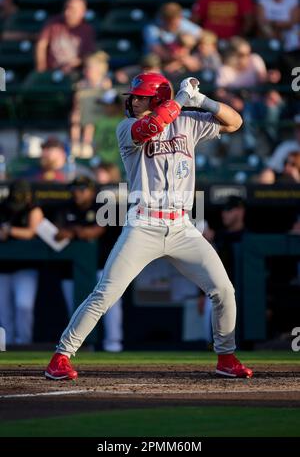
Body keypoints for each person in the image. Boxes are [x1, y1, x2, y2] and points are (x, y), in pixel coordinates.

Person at [45, 72, 253, 380]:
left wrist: (202, 101)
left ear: (157, 99)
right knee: (105, 293)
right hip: (144, 223)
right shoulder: (126, 127)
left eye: (140, 97)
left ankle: (226, 356)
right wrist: (180, 100)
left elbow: (235, 122)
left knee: (223, 290)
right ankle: (61, 357)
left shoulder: (188, 121)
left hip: (182, 226)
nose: (132, 101)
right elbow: (152, 127)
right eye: (134, 96)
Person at [55, 176, 123, 352]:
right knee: (76, 307)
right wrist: (70, 232)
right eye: (75, 190)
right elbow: (57, 232)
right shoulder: (66, 208)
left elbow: (94, 231)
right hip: (71, 270)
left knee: (111, 305)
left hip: (102, 266)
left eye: (82, 189)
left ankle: (113, 343)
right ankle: (80, 345)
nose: (77, 193)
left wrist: (75, 231)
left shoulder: (102, 206)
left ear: (91, 190)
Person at [0, 180, 43, 344]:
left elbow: (32, 232)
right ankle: (7, 343)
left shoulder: (33, 209)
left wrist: (10, 230)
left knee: (23, 306)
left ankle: (24, 343)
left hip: (26, 267)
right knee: (4, 311)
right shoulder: (3, 207)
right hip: (3, 268)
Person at [35, 0, 96, 75]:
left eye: (73, 10)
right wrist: (41, 69)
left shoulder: (87, 29)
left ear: (82, 12)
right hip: (52, 71)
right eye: (66, 8)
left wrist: (75, 63)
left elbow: (88, 55)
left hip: (75, 73)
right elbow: (41, 45)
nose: (67, 13)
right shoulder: (54, 23)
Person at [70, 51, 112, 159]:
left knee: (89, 121)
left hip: (99, 112)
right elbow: (77, 103)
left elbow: (108, 103)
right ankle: (75, 144)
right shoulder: (82, 84)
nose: (85, 71)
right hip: (84, 111)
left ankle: (86, 144)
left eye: (89, 68)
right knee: (76, 117)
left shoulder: (105, 83)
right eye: (85, 68)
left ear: (99, 70)